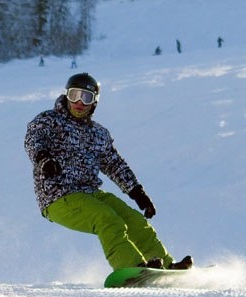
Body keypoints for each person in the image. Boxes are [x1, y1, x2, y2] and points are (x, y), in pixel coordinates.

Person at [25, 73, 192, 272]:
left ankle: (164, 265)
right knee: (107, 218)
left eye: (85, 97)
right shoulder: (49, 120)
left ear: (94, 102)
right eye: (74, 95)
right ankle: (131, 267)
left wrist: (137, 192)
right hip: (58, 195)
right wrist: (43, 158)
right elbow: (34, 139)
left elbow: (114, 164)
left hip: (90, 193)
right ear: (66, 96)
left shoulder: (98, 134)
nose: (79, 102)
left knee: (134, 220)